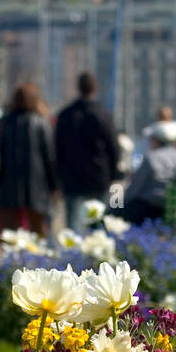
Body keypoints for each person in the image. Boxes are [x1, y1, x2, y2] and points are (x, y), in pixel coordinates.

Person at [0, 82, 58, 239]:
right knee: (37, 236)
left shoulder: (2, 123)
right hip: (37, 190)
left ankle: (11, 264)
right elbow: (50, 159)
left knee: (9, 237)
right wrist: (54, 187)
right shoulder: (41, 124)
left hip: (5, 188)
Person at [55, 72, 121, 232]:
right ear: (95, 88)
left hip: (73, 176)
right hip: (99, 175)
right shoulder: (103, 114)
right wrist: (113, 174)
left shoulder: (66, 114)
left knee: (73, 226)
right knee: (99, 224)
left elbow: (57, 148)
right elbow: (114, 146)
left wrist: (59, 176)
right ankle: (98, 256)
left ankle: (72, 257)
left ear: (78, 88)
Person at [122, 122, 176, 225]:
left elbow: (134, 190)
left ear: (156, 141)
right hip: (175, 208)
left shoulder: (151, 158)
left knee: (117, 208)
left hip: (152, 210)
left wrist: (120, 202)